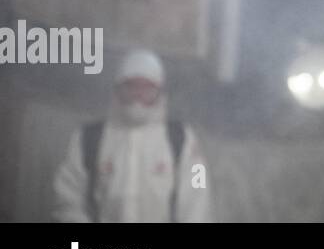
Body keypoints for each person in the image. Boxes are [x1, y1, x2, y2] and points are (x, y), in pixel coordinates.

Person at [53, 48, 212, 222]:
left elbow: (198, 195)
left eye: (147, 88)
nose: (138, 95)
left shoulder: (183, 139)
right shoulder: (88, 139)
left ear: (160, 92)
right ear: (117, 89)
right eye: (131, 86)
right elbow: (67, 198)